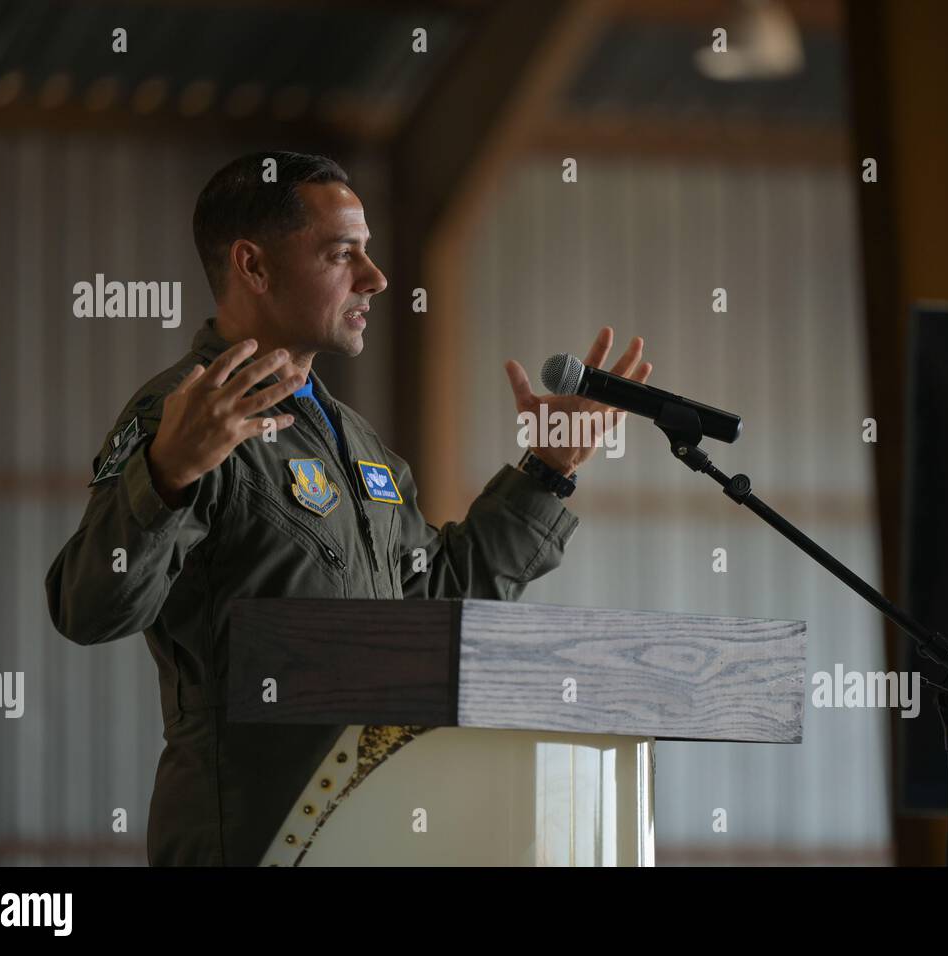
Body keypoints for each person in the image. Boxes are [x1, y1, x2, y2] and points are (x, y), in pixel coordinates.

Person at [44, 151, 652, 865]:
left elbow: (431, 607)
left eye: (368, 252)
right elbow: (88, 608)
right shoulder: (180, 415)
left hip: (371, 828)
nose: (376, 278)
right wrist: (169, 471)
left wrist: (546, 471)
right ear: (254, 266)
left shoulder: (352, 438)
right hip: (253, 837)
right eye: (343, 254)